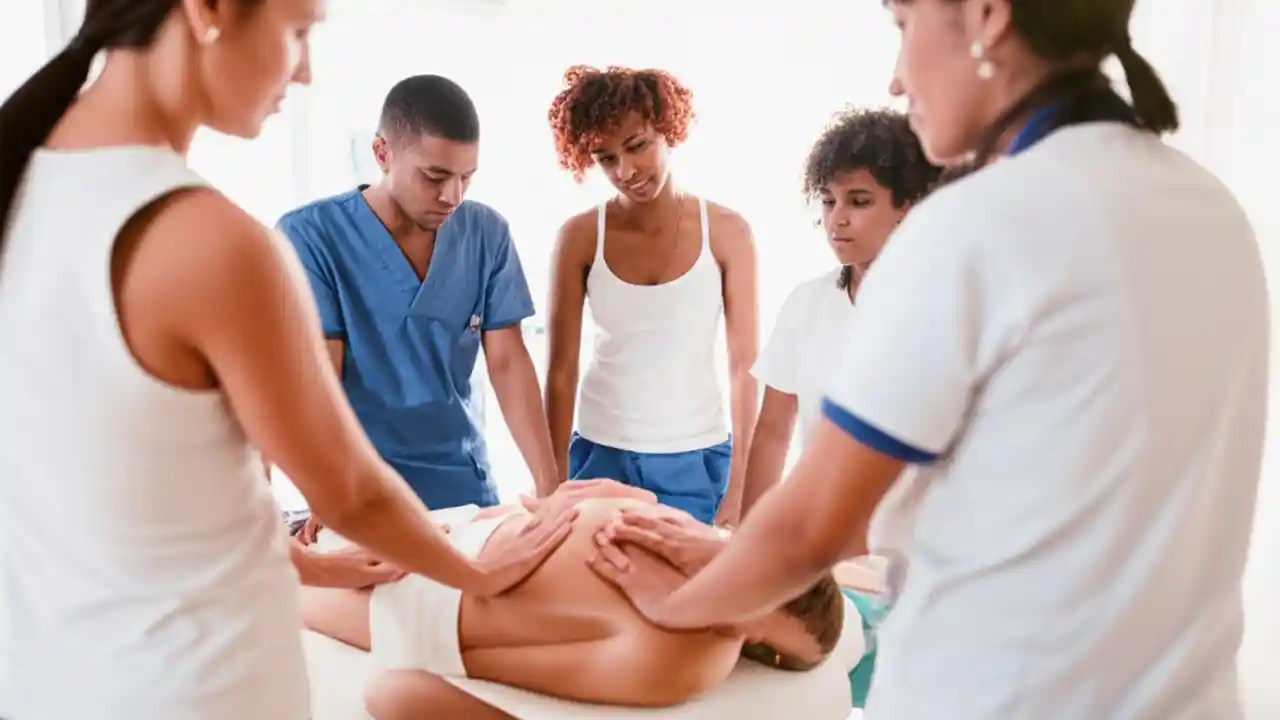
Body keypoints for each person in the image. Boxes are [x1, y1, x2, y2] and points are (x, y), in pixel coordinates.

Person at [590, 1, 1269, 718]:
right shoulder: (1209, 205)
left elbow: (815, 527)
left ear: (986, 16)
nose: (895, 79)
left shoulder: (977, 225)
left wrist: (672, 605)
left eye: (903, 26)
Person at [0, 3, 571, 717]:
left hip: (49, 682)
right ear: (207, 11)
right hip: (198, 687)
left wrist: (309, 562)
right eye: (299, 31)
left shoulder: (25, 191)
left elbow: (147, 488)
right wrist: (476, 576)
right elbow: (348, 491)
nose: (304, 71)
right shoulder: (211, 240)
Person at [299, 482, 846, 718]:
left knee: (268, 578)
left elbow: (476, 663)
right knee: (300, 537)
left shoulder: (684, 661)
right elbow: (542, 509)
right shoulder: (698, 533)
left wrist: (451, 596)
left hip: (435, 599)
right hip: (459, 535)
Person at [278, 75, 560, 514]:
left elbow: (507, 361)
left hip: (466, 492)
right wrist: (325, 494)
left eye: (467, 177)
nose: (453, 196)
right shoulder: (311, 236)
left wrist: (549, 488)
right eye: (435, 176)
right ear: (382, 154)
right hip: (362, 494)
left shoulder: (487, 233)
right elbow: (320, 378)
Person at [544, 65, 759, 526]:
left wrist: (742, 485)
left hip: (693, 457)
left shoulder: (727, 232)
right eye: (604, 158)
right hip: (599, 454)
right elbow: (561, 372)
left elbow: (745, 368)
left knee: (688, 594)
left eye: (637, 146)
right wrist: (551, 485)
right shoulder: (579, 237)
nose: (625, 171)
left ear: (666, 129)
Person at [740, 107, 940, 517]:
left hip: (912, 543)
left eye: (859, 201)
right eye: (829, 201)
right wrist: (746, 544)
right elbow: (774, 434)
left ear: (906, 204)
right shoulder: (806, 303)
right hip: (822, 535)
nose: (837, 219)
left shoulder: (940, 306)